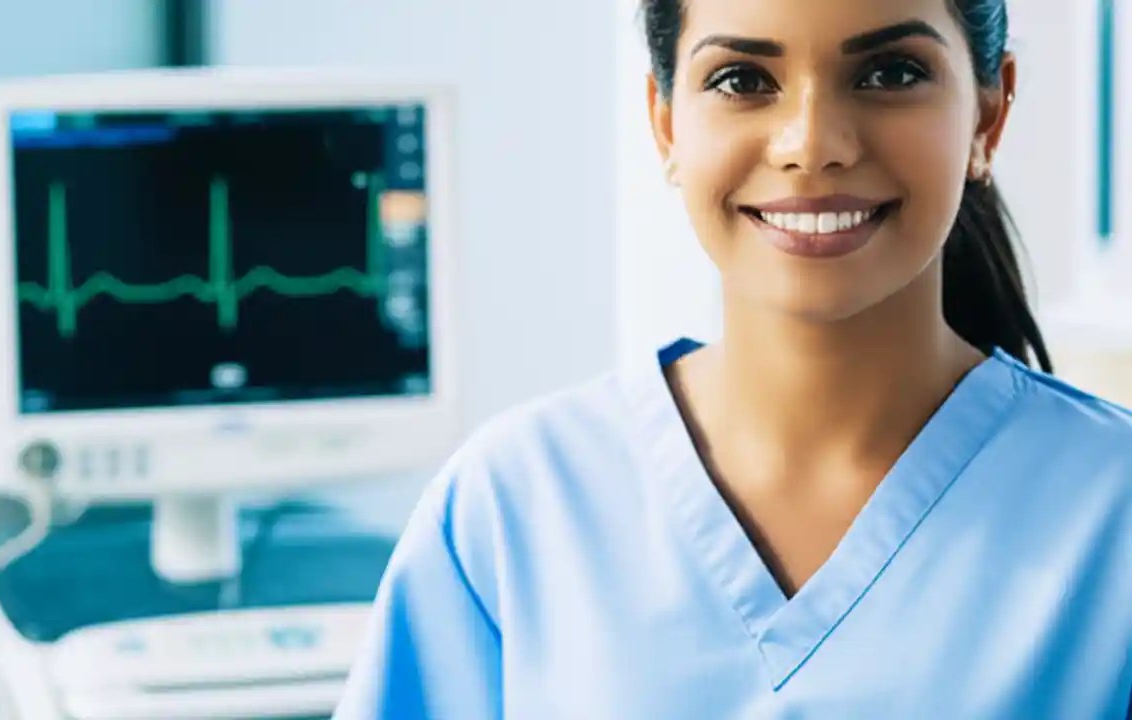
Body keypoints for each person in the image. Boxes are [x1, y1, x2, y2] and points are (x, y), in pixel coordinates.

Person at [334, 0, 1132, 717]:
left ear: (988, 117)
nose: (812, 144)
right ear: (665, 123)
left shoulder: (1112, 513)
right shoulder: (511, 506)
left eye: (891, 72)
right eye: (742, 79)